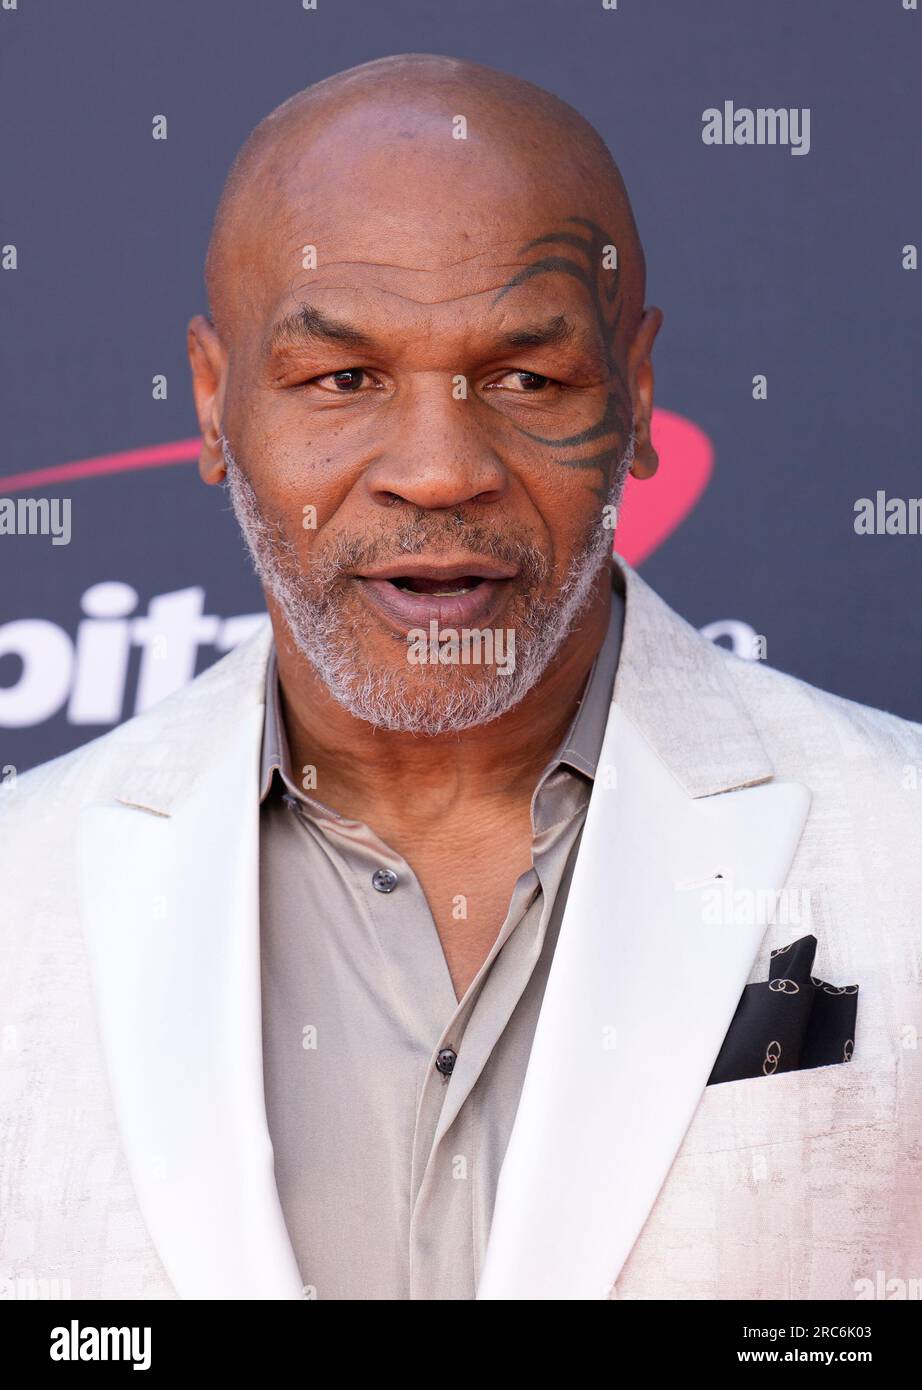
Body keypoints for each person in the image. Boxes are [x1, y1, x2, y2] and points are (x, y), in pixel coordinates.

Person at [1, 54, 920, 1302]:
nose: (438, 471)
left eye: (525, 379)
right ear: (214, 405)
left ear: (637, 394)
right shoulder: (23, 890)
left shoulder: (900, 841)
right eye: (342, 379)